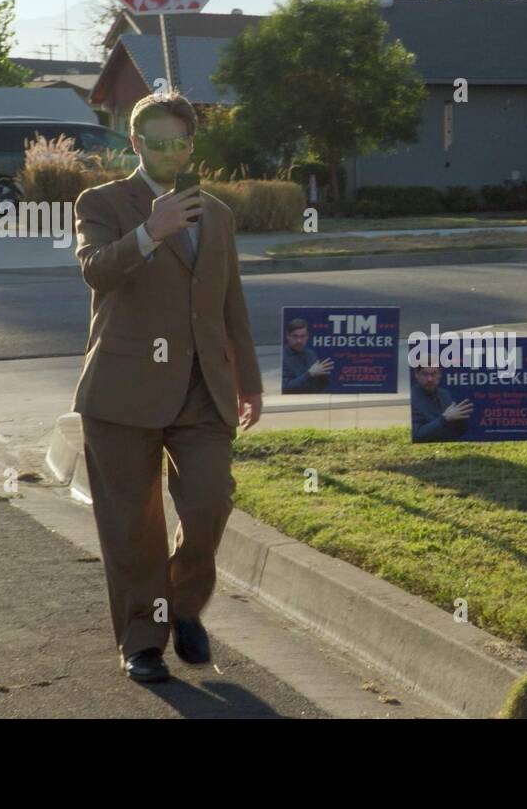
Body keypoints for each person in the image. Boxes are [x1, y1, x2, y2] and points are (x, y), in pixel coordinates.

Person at [71, 92, 263, 683]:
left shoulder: (218, 216)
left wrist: (248, 380)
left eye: (181, 141)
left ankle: (182, 605)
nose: (171, 153)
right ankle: (143, 641)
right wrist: (150, 232)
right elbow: (96, 270)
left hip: (202, 387)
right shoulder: (100, 202)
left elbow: (230, 303)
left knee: (209, 500)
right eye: (158, 142)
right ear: (135, 143)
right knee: (132, 525)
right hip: (123, 389)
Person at [410, 364, 472, 442]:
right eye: (425, 374)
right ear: (416, 374)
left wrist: (461, 418)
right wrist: (444, 418)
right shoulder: (412, 398)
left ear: (440, 374)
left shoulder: (444, 394)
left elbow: (458, 432)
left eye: (434, 374)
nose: (430, 379)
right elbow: (416, 436)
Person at [281, 317, 333, 393]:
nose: (299, 340)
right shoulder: (283, 357)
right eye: (295, 336)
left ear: (307, 337)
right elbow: (285, 388)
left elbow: (319, 386)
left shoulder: (311, 354)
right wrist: (309, 374)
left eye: (302, 336)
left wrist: (323, 375)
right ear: (288, 336)